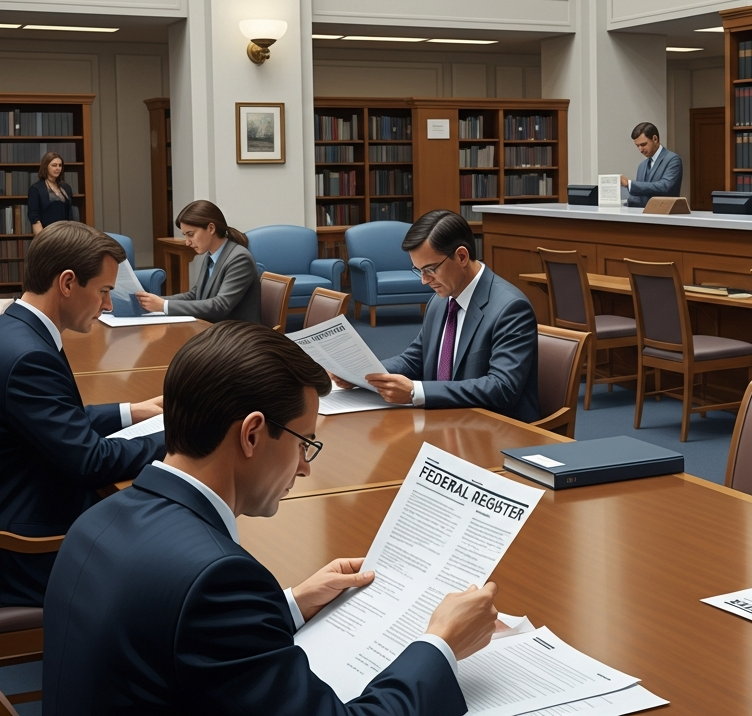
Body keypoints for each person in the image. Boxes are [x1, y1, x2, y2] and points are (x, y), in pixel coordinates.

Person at [43, 321, 500, 715]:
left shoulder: (96, 519)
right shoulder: (217, 579)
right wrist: (440, 644)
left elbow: (176, 635)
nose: (304, 466)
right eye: (305, 443)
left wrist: (292, 604)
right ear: (252, 434)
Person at [0, 222, 165, 607]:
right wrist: (187, 436)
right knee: (167, 568)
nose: (108, 305)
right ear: (68, 283)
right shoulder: (30, 357)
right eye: (104, 291)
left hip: (26, 497)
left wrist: (131, 412)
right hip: (32, 546)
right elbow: (90, 462)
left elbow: (53, 421)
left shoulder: (15, 328)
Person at [333, 210, 539, 421]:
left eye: (430, 269)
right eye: (418, 270)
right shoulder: (440, 300)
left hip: (494, 428)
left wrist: (416, 392)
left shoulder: (510, 309)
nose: (424, 280)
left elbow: (502, 388)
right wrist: (364, 376)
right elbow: (416, 359)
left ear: (461, 256)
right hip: (447, 420)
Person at [136, 199, 262, 324]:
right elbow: (196, 294)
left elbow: (220, 306)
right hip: (215, 331)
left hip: (237, 336)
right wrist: (154, 302)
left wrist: (164, 305)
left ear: (211, 228)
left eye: (190, 234)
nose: (187, 242)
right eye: (185, 235)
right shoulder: (210, 256)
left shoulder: (239, 259)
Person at [620, 122, 682, 208]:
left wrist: (629, 184)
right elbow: (641, 196)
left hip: (666, 216)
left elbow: (665, 187)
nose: (640, 149)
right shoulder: (642, 166)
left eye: (643, 144)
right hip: (644, 217)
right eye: (637, 146)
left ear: (655, 139)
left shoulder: (672, 159)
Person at [26, 151, 76, 234]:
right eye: (54, 165)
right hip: (47, 235)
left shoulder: (67, 187)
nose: (58, 168)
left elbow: (70, 215)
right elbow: (35, 219)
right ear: (46, 167)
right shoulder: (35, 189)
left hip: (66, 234)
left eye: (60, 165)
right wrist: (43, 240)